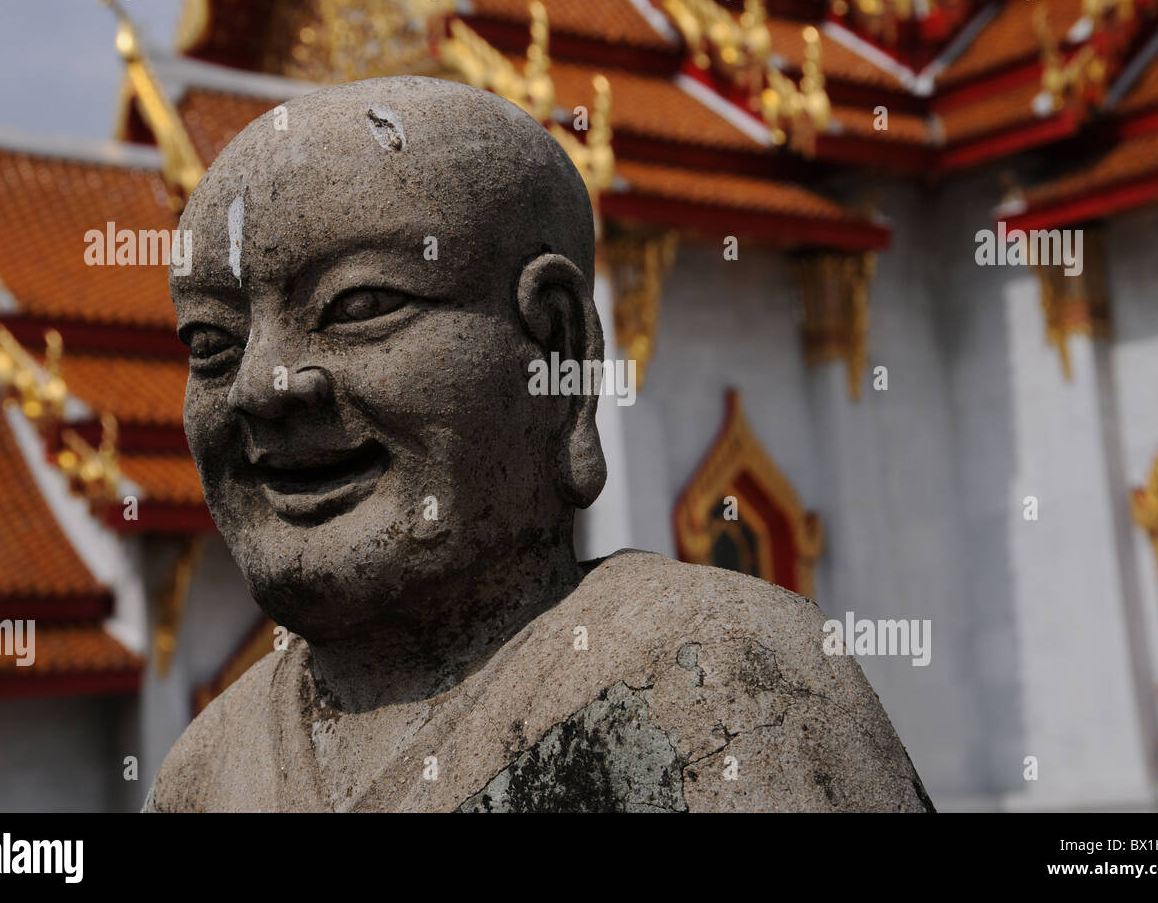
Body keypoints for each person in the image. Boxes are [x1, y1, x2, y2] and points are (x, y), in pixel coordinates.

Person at [147, 76, 931, 812]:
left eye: (358, 304)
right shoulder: (205, 775)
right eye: (212, 342)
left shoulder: (725, 678)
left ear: (555, 346)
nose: (260, 387)